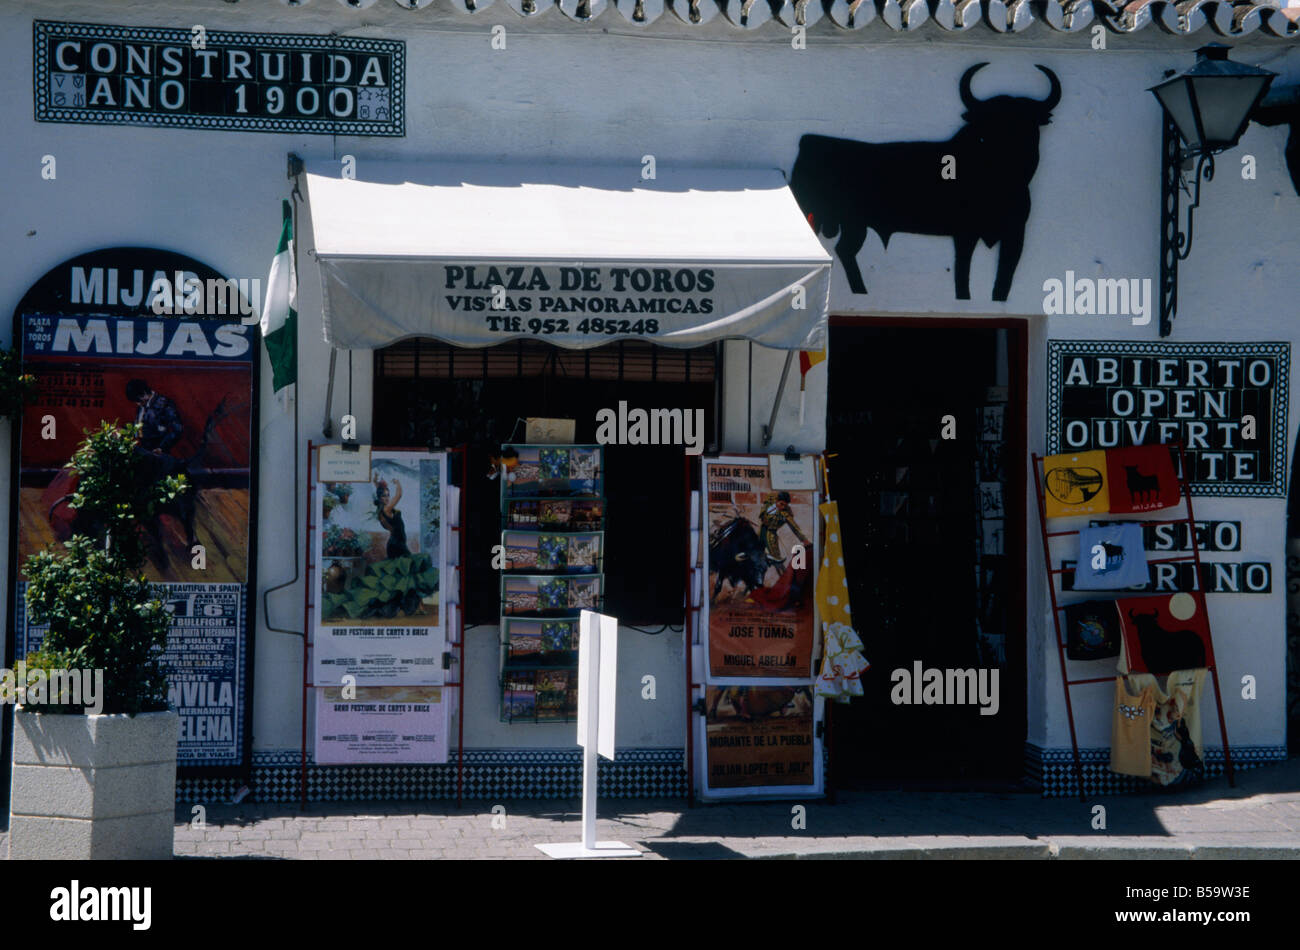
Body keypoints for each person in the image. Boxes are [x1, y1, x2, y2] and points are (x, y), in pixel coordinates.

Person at [758, 491, 810, 572]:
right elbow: (762, 515)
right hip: (761, 531)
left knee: (777, 559)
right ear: (776, 501)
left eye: (785, 505)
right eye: (781, 504)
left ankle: (783, 577)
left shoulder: (786, 513)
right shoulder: (770, 500)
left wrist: (804, 540)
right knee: (755, 553)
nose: (782, 507)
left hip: (771, 534)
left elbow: (794, 526)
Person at [374, 472, 410, 559]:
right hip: (397, 545)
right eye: (384, 496)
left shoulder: (382, 509)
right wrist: (397, 482)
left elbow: (378, 489)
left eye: (388, 495)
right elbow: (399, 495)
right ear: (379, 498)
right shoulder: (386, 509)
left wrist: (375, 480)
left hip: (397, 543)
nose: (387, 498)